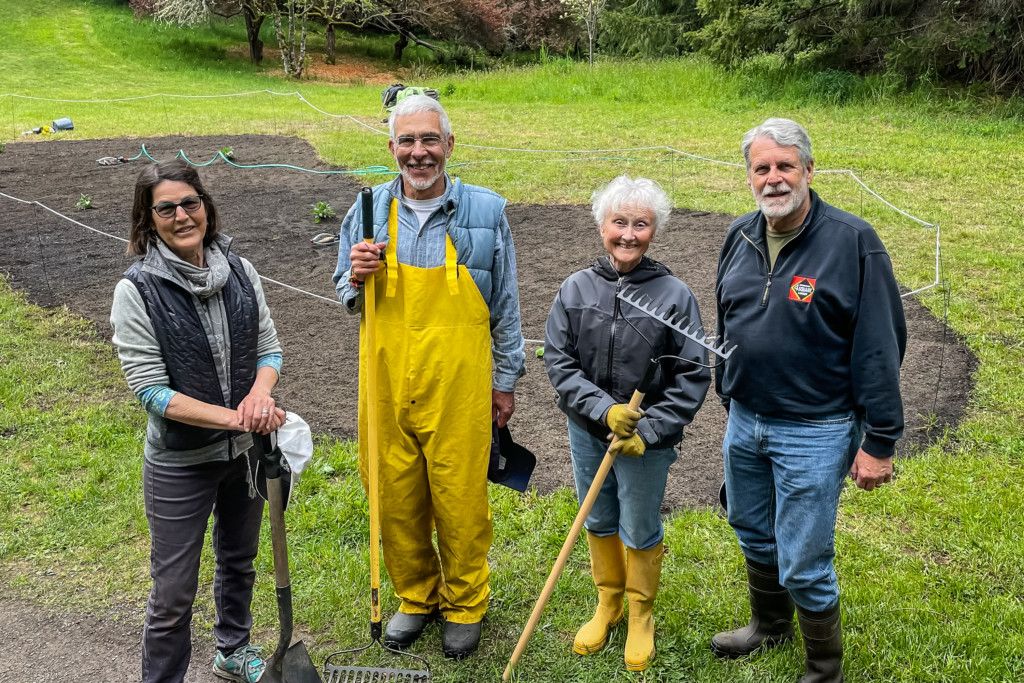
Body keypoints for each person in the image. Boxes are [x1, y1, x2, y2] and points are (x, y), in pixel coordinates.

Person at [712, 118, 906, 683]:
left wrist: (879, 441)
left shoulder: (852, 242)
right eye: (761, 168)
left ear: (809, 171)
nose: (773, 179)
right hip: (746, 419)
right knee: (751, 527)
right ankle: (769, 626)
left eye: (785, 166)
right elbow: (728, 319)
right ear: (749, 176)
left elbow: (880, 345)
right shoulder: (739, 235)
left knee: (803, 558)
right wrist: (731, 389)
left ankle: (824, 668)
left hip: (815, 428)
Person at [332, 95, 526, 659]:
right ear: (391, 148)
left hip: (459, 383)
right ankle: (416, 596)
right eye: (408, 142)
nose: (420, 153)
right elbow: (347, 290)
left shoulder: (486, 213)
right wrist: (354, 277)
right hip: (387, 379)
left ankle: (465, 603)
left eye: (430, 140)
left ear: (449, 146)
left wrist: (506, 380)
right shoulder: (366, 210)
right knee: (393, 492)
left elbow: (506, 306)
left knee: (460, 496)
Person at [110, 160, 285, 683]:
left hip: (246, 456)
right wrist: (240, 417)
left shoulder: (241, 270)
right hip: (181, 462)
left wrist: (260, 395)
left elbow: (269, 349)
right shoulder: (137, 289)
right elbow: (151, 390)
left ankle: (233, 651)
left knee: (240, 561)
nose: (182, 216)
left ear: (205, 205)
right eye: (166, 208)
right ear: (148, 220)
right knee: (172, 594)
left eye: (191, 203)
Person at [543, 175, 711, 672]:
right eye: (619, 222)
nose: (629, 234)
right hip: (589, 430)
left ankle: (641, 614)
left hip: (644, 442)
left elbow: (692, 374)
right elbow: (558, 360)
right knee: (597, 516)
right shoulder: (576, 288)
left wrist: (650, 429)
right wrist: (601, 409)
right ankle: (608, 604)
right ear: (601, 226)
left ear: (654, 230)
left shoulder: (675, 296)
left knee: (638, 524)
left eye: (641, 224)